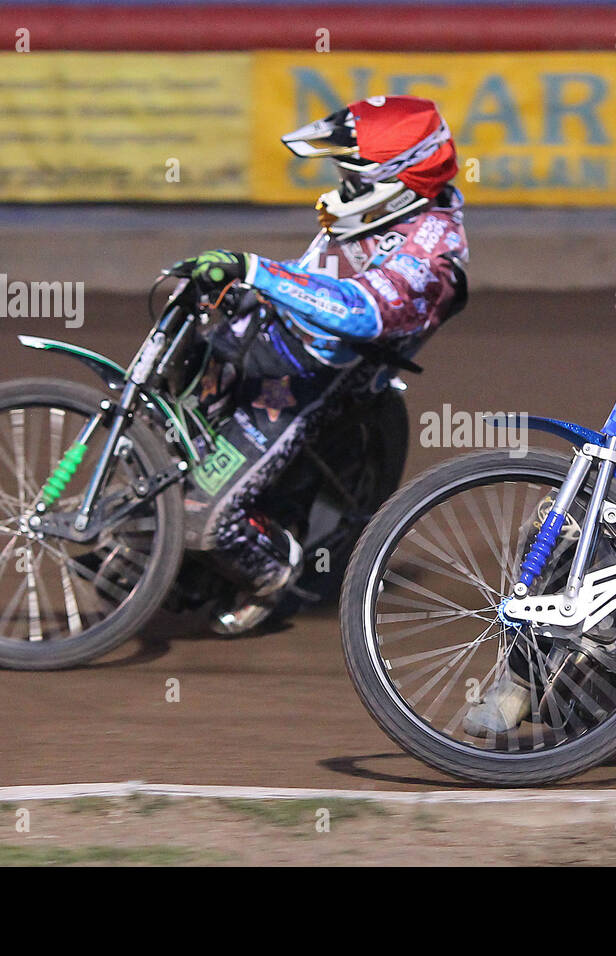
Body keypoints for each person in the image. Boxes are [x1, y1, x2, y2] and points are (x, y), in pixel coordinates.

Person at [168, 95, 469, 633]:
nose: (340, 187)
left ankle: (272, 572)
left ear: (396, 178)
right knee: (165, 407)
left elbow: (362, 311)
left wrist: (258, 271)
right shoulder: (382, 208)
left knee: (197, 517)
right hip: (268, 342)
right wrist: (244, 289)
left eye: (351, 177)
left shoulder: (433, 254)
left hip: (312, 383)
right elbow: (315, 277)